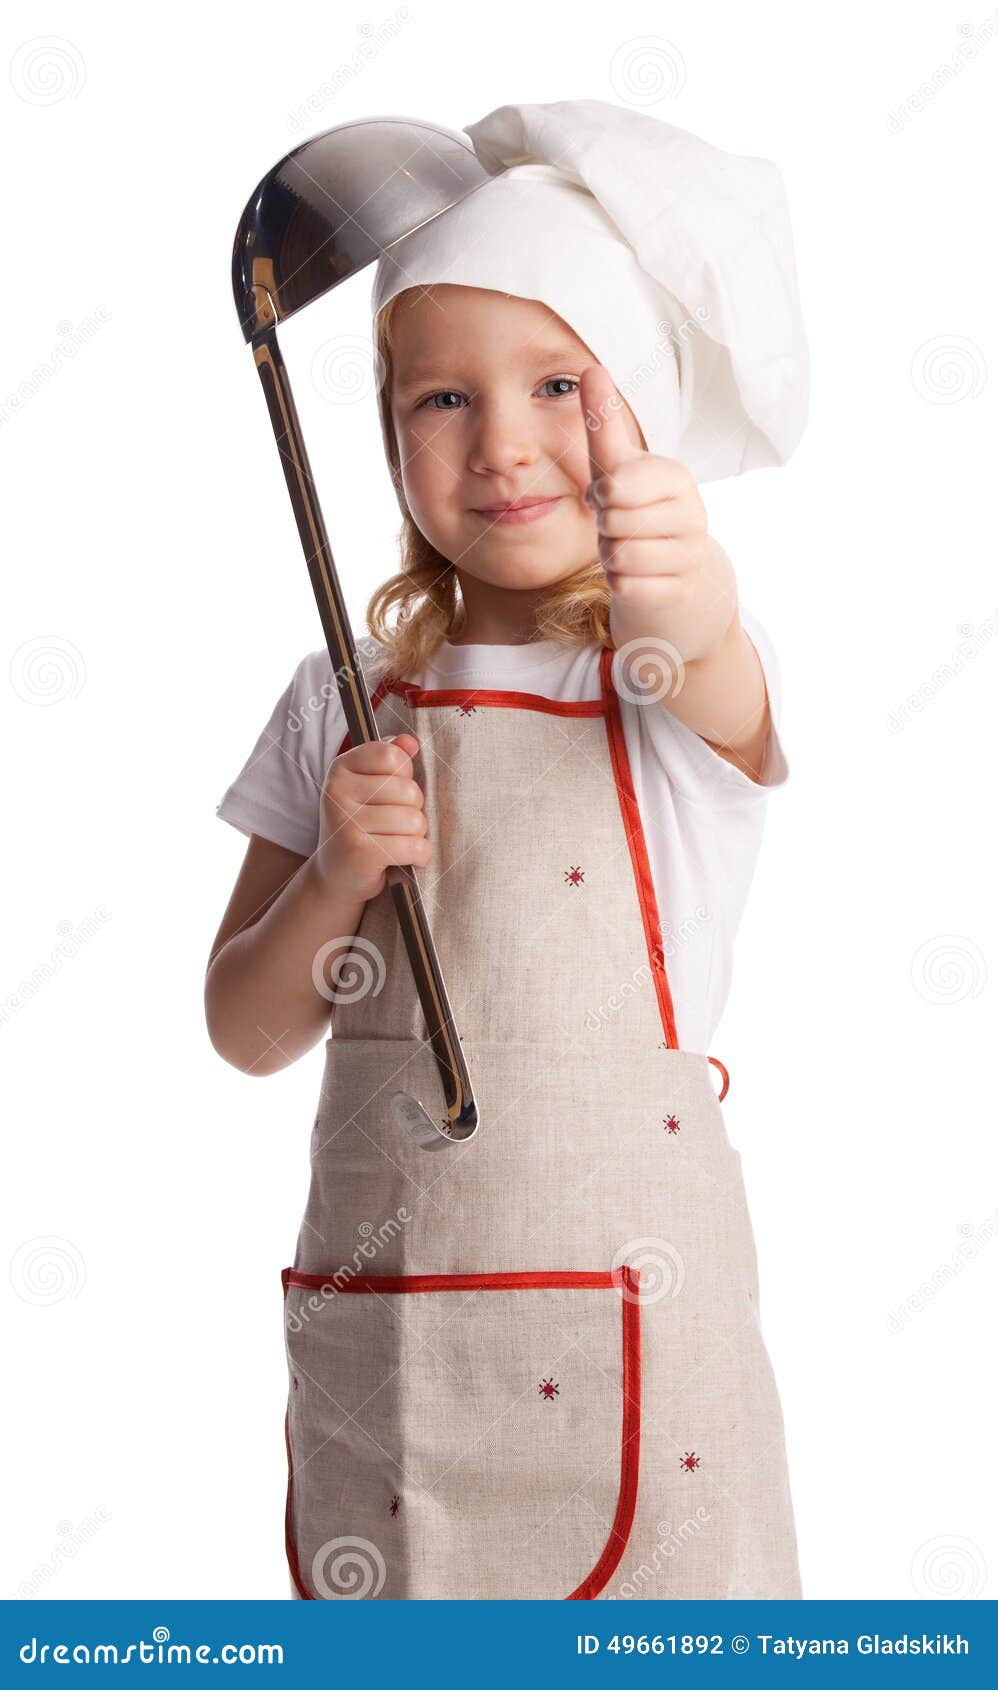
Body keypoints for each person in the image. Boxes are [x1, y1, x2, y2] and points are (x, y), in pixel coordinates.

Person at [205, 100, 808, 1601]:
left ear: (641, 411)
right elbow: (243, 1027)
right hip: (392, 1331)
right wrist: (340, 874)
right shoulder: (339, 702)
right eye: (441, 400)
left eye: (556, 383)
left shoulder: (669, 684)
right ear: (386, 426)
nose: (504, 445)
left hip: (640, 1336)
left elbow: (712, 664)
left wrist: (680, 582)